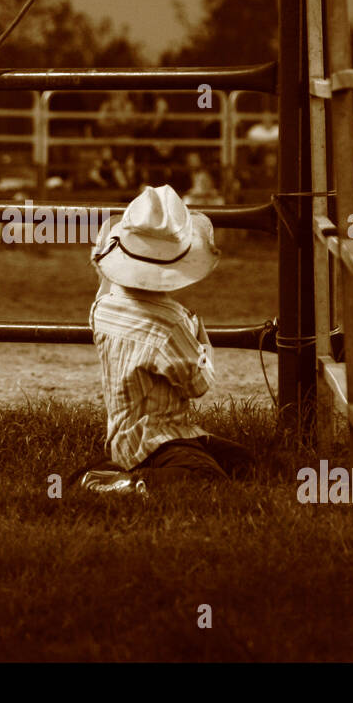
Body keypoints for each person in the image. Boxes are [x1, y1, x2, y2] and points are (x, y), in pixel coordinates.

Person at [73, 184, 253, 493]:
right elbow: (198, 385)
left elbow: (105, 284)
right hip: (161, 437)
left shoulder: (102, 308)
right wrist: (201, 340)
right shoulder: (171, 324)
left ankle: (113, 471)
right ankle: (121, 484)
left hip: (123, 435)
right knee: (209, 477)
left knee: (239, 461)